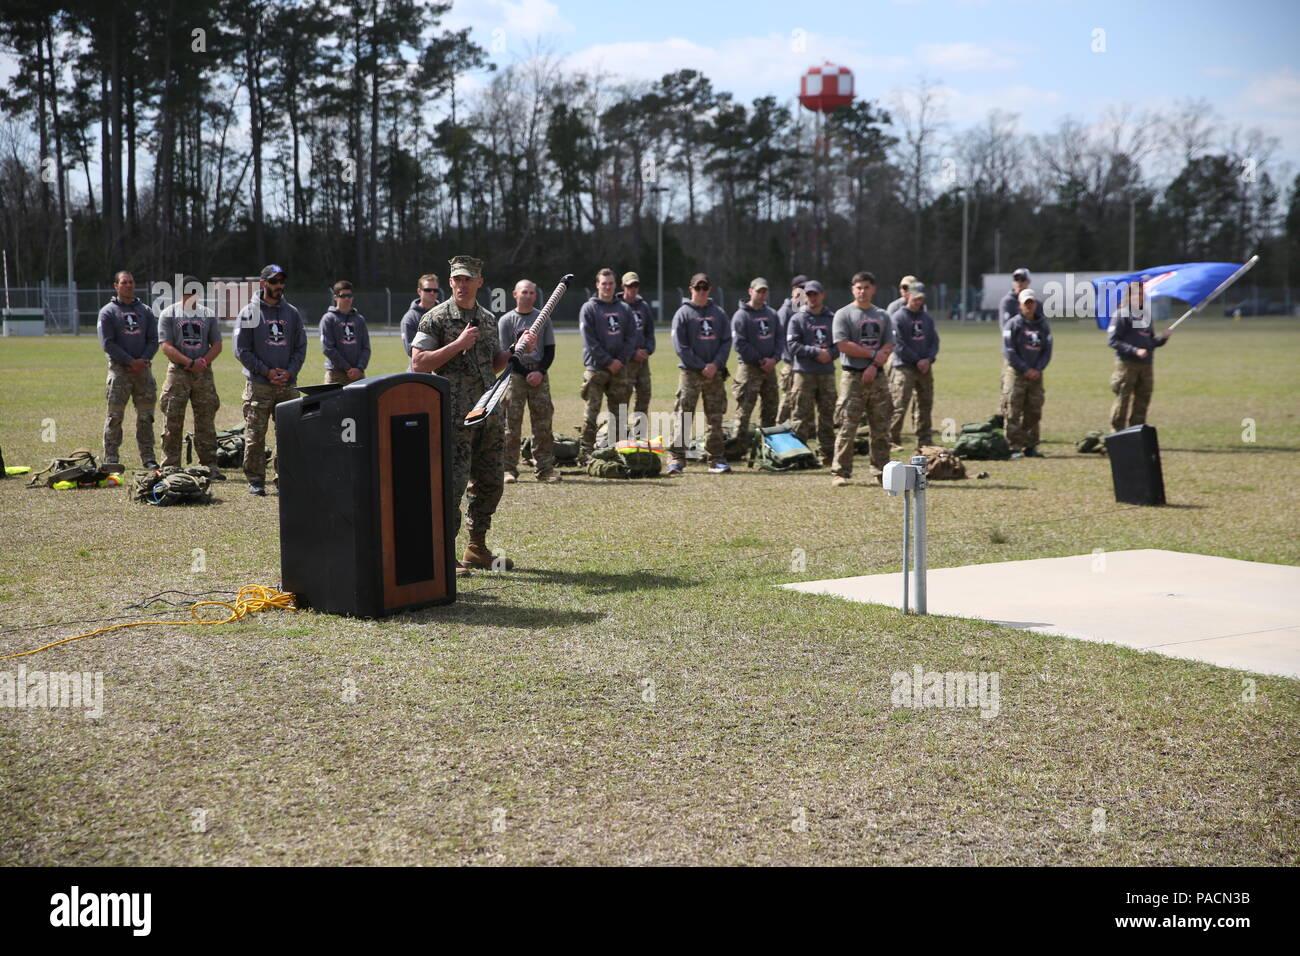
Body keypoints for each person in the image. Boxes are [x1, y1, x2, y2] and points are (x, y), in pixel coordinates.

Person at [410, 255, 525, 575]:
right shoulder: (435, 318)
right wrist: (458, 344)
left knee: (490, 482)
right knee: (452, 485)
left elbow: (493, 363)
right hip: (454, 418)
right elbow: (420, 363)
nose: (462, 285)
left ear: (479, 283)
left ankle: (477, 546)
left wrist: (513, 351)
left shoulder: (488, 319)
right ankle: (443, 553)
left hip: (488, 414)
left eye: (468, 279)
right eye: (457, 279)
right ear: (450, 283)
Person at [234, 264, 307, 496]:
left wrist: (289, 372)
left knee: (288, 433)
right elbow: (241, 350)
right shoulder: (248, 312)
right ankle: (256, 480)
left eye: (281, 281)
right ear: (263, 283)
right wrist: (266, 372)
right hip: (259, 385)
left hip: (287, 384)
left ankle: (283, 478)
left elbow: (300, 346)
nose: (279, 286)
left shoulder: (292, 313)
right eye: (274, 281)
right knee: (255, 435)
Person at [830, 271, 894, 486]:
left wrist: (874, 365)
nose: (862, 291)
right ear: (852, 289)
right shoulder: (844, 314)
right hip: (852, 377)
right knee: (847, 426)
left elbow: (888, 345)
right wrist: (872, 356)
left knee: (881, 426)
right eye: (858, 287)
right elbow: (842, 344)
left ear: (873, 289)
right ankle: (840, 471)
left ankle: (881, 471)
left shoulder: (883, 315)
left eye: (866, 287)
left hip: (878, 377)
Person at [157, 276, 223, 477]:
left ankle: (209, 465)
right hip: (178, 373)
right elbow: (165, 345)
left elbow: (217, 345)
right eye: (186, 291)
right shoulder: (169, 314)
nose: (190, 295)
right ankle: (170, 465)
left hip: (203, 374)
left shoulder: (208, 315)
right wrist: (188, 362)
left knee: (205, 420)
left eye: (194, 291)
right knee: (172, 419)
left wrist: (201, 362)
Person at [667, 273, 732, 475]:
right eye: (698, 288)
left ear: (710, 289)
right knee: (684, 415)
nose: (701, 292)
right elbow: (681, 346)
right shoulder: (683, 313)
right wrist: (700, 366)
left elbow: (726, 341)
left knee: (715, 416)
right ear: (691, 289)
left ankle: (716, 458)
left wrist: (715, 364)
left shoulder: (719, 313)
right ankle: (677, 458)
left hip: (714, 373)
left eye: (705, 288)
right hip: (691, 373)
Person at [498, 279, 560, 484]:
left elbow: (550, 350)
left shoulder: (543, 318)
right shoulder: (506, 321)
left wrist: (540, 372)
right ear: (515, 294)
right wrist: (525, 373)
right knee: (511, 424)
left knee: (543, 423)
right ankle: (508, 468)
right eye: (524, 292)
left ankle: (544, 468)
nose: (528, 296)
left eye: (532, 293)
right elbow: (504, 354)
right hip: (515, 376)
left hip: (540, 376)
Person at [97, 270, 159, 468]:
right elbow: (108, 343)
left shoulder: (146, 311)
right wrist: (130, 361)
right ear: (116, 286)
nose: (129, 285)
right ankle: (111, 458)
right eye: (124, 282)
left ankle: (148, 458)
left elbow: (153, 339)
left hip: (143, 372)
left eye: (131, 282)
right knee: (115, 417)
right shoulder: (108, 312)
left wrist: (144, 360)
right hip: (119, 372)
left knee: (146, 417)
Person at [578, 268, 638, 459]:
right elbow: (590, 341)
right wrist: (607, 361)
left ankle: (618, 450)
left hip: (619, 370)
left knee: (619, 414)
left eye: (611, 283)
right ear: (597, 285)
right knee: (591, 414)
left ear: (615, 285)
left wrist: (619, 361)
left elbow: (631, 338)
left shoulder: (624, 309)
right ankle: (586, 452)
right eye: (604, 283)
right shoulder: (589, 308)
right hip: (596, 370)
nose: (607, 287)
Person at [785, 280, 839, 466]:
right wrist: (816, 352)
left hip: (826, 373)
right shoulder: (797, 319)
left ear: (822, 294)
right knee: (800, 415)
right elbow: (792, 345)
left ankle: (827, 456)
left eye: (815, 294)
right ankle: (798, 456)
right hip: (804, 373)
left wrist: (830, 354)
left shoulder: (832, 319)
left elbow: (840, 343)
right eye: (808, 294)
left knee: (827, 415)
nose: (812, 298)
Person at [1107, 281, 1171, 431]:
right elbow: (1113, 341)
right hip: (1127, 365)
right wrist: (1134, 350)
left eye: (1142, 294)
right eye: (1137, 294)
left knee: (1143, 400)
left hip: (1146, 366)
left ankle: (1135, 433)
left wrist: (1163, 338)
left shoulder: (1145, 316)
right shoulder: (1122, 314)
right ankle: (1116, 434)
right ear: (1129, 296)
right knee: (1123, 400)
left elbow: (1150, 342)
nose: (1140, 297)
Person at [888, 281, 940, 449]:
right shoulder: (899, 317)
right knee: (899, 403)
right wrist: (917, 360)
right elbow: (898, 344)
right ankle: (892, 439)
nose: (918, 301)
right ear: (908, 295)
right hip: (904, 367)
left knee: (925, 403)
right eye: (915, 298)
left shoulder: (926, 318)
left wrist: (928, 359)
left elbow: (934, 341)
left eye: (921, 298)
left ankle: (924, 439)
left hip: (924, 367)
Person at [1003, 288, 1053, 458]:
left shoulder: (1043, 325)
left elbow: (1047, 350)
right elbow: (1009, 351)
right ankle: (1014, 446)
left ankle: (1030, 445)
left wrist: (1038, 369)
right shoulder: (1013, 324)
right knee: (1013, 410)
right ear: (1020, 305)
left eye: (1032, 302)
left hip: (1036, 375)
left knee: (1034, 410)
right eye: (1026, 303)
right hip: (1017, 374)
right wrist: (1025, 369)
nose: (1029, 306)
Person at [731, 277, 783, 436]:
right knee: (744, 410)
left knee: (770, 408)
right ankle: (738, 446)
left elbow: (780, 339)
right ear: (750, 291)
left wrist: (774, 359)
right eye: (758, 291)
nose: (761, 294)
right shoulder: (741, 315)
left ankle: (766, 447)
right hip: (749, 369)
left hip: (769, 369)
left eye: (764, 291)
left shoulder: (772, 314)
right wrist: (760, 361)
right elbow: (739, 344)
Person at [998, 267, 1041, 417]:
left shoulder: (1036, 303)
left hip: (1032, 354)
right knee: (1009, 393)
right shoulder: (1008, 302)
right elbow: (1006, 330)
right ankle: (1007, 426)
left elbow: (1040, 328)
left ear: (1028, 281)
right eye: (1016, 279)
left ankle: (1030, 432)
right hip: (1013, 354)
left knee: (1034, 396)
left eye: (1022, 279)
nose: (1019, 282)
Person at [621, 271, 655, 431]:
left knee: (644, 394)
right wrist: (632, 352)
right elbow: (616, 336)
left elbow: (650, 332)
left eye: (636, 285)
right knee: (622, 397)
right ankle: (619, 434)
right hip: (626, 361)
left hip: (643, 361)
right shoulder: (618, 306)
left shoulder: (644, 307)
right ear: (623, 287)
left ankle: (639, 433)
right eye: (629, 285)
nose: (633, 288)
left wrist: (647, 350)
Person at [320, 280, 371, 384]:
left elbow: (366, 348)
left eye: (350, 295)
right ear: (335, 297)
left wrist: (359, 368)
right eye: (343, 296)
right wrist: (347, 368)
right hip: (336, 375)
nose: (347, 298)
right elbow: (328, 348)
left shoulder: (359, 319)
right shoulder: (328, 319)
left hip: (358, 375)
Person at [774, 274, 807, 423]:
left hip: (804, 362)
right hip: (791, 363)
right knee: (788, 397)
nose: (806, 291)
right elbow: (780, 337)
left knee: (802, 397)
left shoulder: (803, 309)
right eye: (803, 288)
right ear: (794, 289)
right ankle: (780, 425)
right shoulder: (785, 311)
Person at [401, 274, 441, 357]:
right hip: (421, 369)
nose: (432, 293)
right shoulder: (410, 318)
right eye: (428, 290)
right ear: (419, 291)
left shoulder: (445, 313)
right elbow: (410, 350)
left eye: (435, 290)